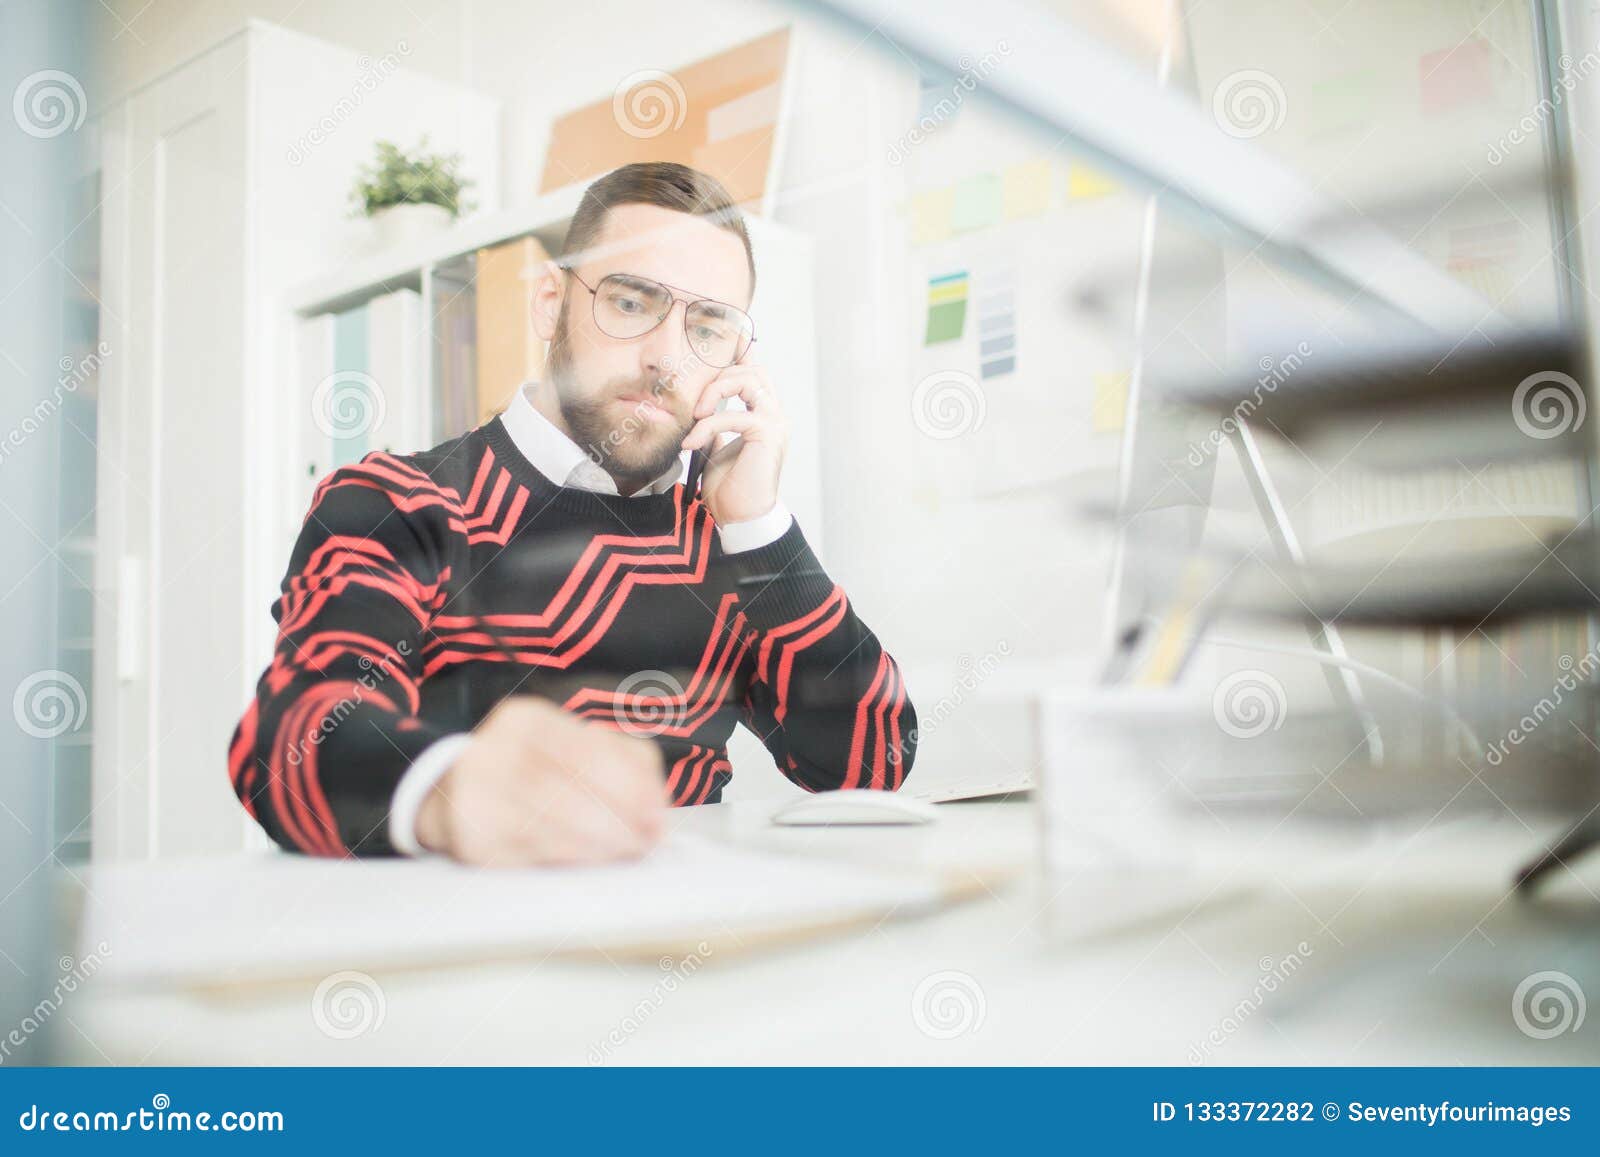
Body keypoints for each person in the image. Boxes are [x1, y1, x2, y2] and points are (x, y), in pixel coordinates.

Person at [227, 162, 917, 866]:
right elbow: (291, 737)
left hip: (691, 953)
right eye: (629, 302)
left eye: (708, 327)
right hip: (462, 950)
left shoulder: (729, 538)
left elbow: (873, 762)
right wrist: (454, 789)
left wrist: (761, 528)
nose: (667, 359)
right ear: (550, 302)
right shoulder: (394, 501)